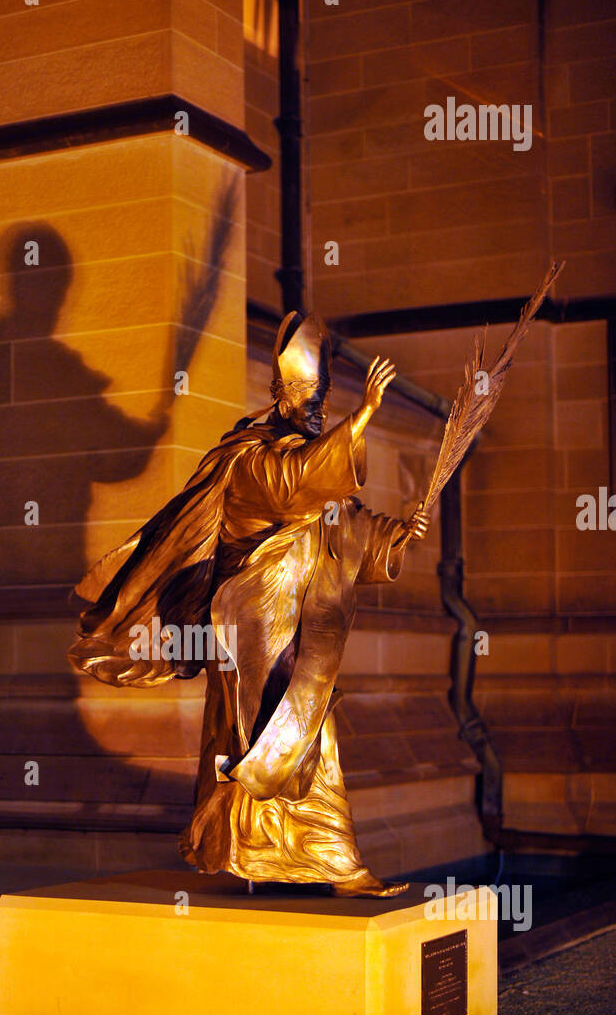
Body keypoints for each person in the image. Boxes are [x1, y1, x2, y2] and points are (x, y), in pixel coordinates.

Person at [69, 311, 430, 895]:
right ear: (281, 395)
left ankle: (303, 857)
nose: (315, 408)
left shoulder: (308, 454)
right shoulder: (249, 458)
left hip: (300, 626)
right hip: (256, 626)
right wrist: (362, 417)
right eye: (306, 397)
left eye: (321, 399)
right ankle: (310, 859)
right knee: (265, 735)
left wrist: (393, 535)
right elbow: (295, 489)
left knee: (305, 734)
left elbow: (340, 521)